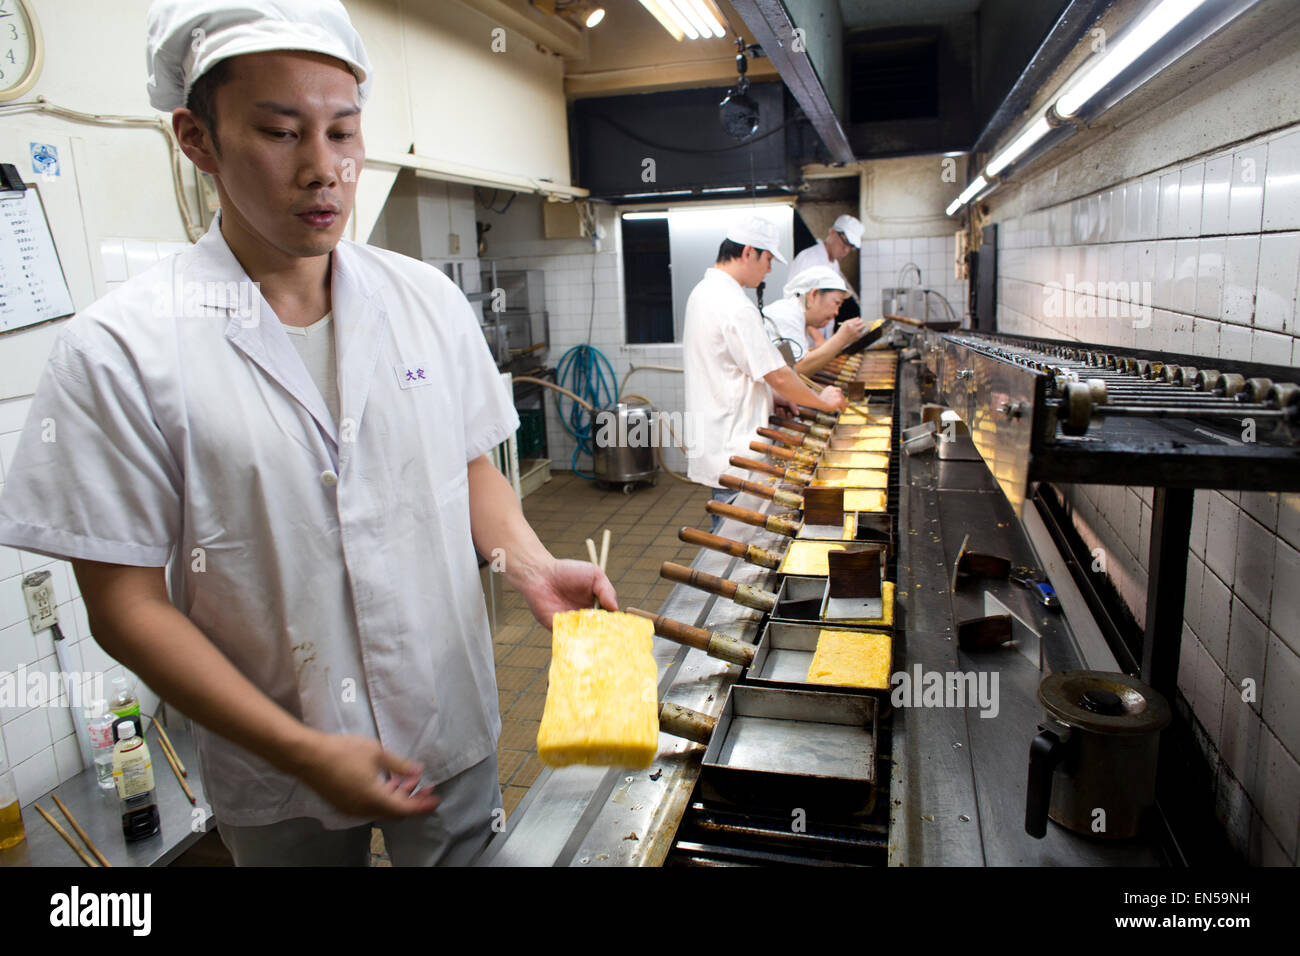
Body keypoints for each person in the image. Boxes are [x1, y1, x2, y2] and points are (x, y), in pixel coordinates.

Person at [0, 0, 617, 867]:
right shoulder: (119, 351)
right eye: (282, 133)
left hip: (444, 721)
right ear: (197, 139)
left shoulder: (425, 305)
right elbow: (124, 606)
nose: (323, 170)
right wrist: (303, 748)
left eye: (342, 132)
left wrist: (525, 561)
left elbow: (467, 465)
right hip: (273, 759)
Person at [682, 216, 846, 533]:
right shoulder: (734, 304)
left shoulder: (702, 293)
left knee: (730, 533)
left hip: (720, 444)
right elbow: (779, 374)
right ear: (748, 252)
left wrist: (772, 398)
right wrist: (821, 402)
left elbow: (732, 371)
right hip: (738, 453)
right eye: (768, 259)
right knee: (737, 547)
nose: (769, 269)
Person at [763, 266, 868, 376]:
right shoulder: (786, 314)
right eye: (836, 303)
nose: (837, 312)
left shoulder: (797, 316)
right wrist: (841, 339)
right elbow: (795, 371)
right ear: (814, 295)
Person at [788, 214, 864, 347]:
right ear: (832, 232)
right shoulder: (809, 259)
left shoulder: (834, 264)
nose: (846, 250)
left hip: (824, 338)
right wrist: (818, 339)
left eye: (850, 247)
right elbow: (798, 299)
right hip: (808, 341)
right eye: (844, 243)